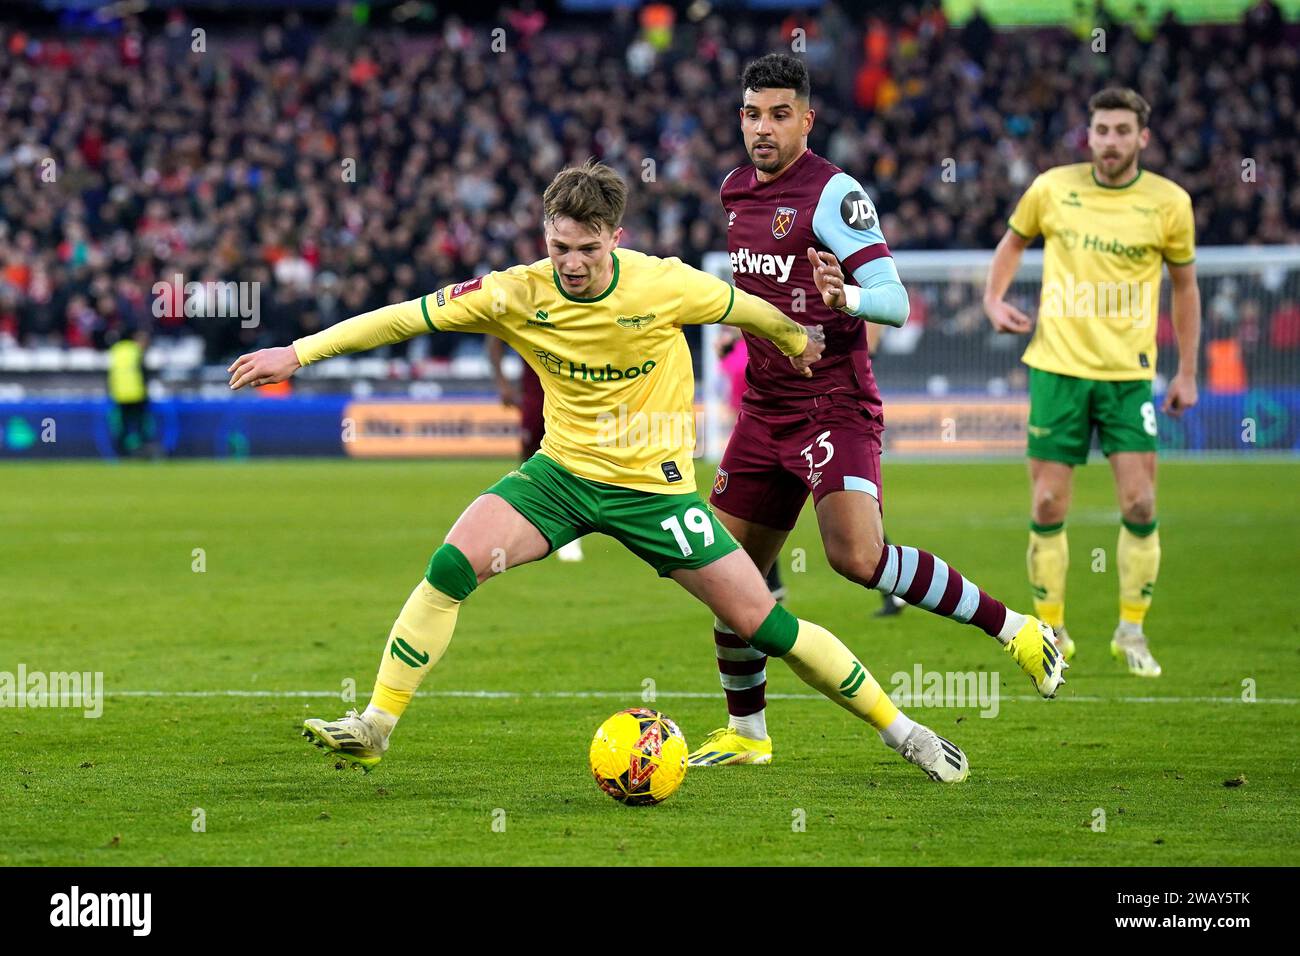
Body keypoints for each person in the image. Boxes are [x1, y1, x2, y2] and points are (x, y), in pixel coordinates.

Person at [229, 160, 974, 783]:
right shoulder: (516, 291)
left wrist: (793, 335)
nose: (572, 263)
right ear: (544, 237)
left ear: (616, 238)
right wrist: (296, 354)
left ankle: (902, 732)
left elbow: (746, 307)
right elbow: (401, 318)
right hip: (558, 478)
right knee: (450, 567)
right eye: (559, 247)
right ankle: (377, 723)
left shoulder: (663, 284)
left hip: (655, 494)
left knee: (764, 624)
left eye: (586, 247)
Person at [690, 54, 1063, 769]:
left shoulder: (835, 193)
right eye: (751, 114)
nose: (762, 129)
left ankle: (1015, 627)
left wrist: (847, 299)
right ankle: (749, 734)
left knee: (855, 559)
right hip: (764, 411)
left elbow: (894, 297)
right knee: (729, 577)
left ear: (806, 119)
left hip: (832, 407)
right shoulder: (735, 192)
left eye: (777, 114)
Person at [983, 87, 1201, 677]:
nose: (1109, 141)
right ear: (1090, 132)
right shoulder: (1052, 187)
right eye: (1101, 130)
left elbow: (1184, 287)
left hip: (1129, 376)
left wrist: (1186, 370)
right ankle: (1052, 631)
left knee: (1140, 500)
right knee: (1049, 502)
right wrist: (994, 298)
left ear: (1142, 138)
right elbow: (1013, 242)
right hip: (1057, 369)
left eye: (1121, 131)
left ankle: (1131, 631)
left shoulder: (1169, 203)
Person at [486, 337, 583, 560]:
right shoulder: (527, 305)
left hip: (571, 400)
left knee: (572, 461)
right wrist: (502, 383)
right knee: (528, 460)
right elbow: (494, 340)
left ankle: (571, 528)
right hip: (535, 397)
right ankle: (529, 521)